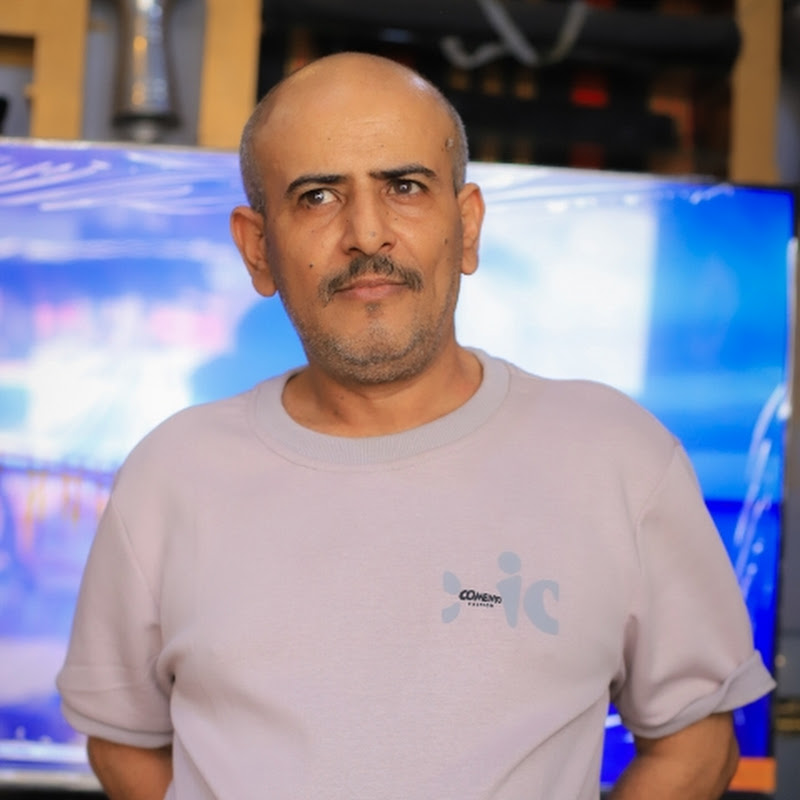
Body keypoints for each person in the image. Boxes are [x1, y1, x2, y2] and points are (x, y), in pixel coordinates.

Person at [56, 52, 775, 800]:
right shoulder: (170, 474)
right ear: (258, 248)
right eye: (317, 196)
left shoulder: (618, 457)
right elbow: (124, 743)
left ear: (467, 226)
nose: (367, 234)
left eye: (404, 187)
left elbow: (696, 746)